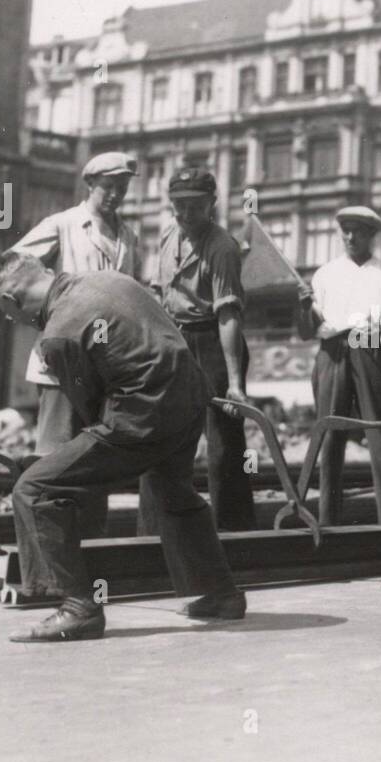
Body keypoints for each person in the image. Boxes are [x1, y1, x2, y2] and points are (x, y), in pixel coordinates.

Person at [0, 252, 245, 642]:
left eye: (8, 313)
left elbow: (90, 415)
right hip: (191, 398)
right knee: (174, 490)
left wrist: (62, 464)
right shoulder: (109, 279)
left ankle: (78, 608)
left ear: (10, 301)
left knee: (34, 490)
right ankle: (222, 594)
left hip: (145, 412)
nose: (13, 320)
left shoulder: (57, 333)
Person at [9, 151, 140, 538]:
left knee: (96, 457)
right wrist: (43, 314)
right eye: (108, 187)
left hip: (107, 365)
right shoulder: (64, 224)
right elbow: (12, 269)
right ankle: (51, 555)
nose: (115, 195)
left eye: (123, 188)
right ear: (90, 185)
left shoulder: (128, 235)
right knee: (56, 458)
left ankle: (90, 551)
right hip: (64, 364)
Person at [146, 168, 255, 532]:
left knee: (223, 444)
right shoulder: (166, 236)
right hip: (175, 339)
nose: (186, 215)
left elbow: (228, 314)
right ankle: (158, 531)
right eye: (179, 206)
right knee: (161, 435)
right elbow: (157, 296)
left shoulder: (222, 247)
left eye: (195, 206)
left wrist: (234, 383)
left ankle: (232, 532)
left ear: (212, 204)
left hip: (214, 342)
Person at [296, 205, 381, 525]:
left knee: (380, 434)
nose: (351, 237)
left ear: (372, 235)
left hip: (371, 349)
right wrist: (301, 307)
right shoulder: (324, 273)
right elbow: (306, 330)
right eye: (346, 231)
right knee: (330, 434)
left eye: (360, 231)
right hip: (332, 351)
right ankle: (328, 521)